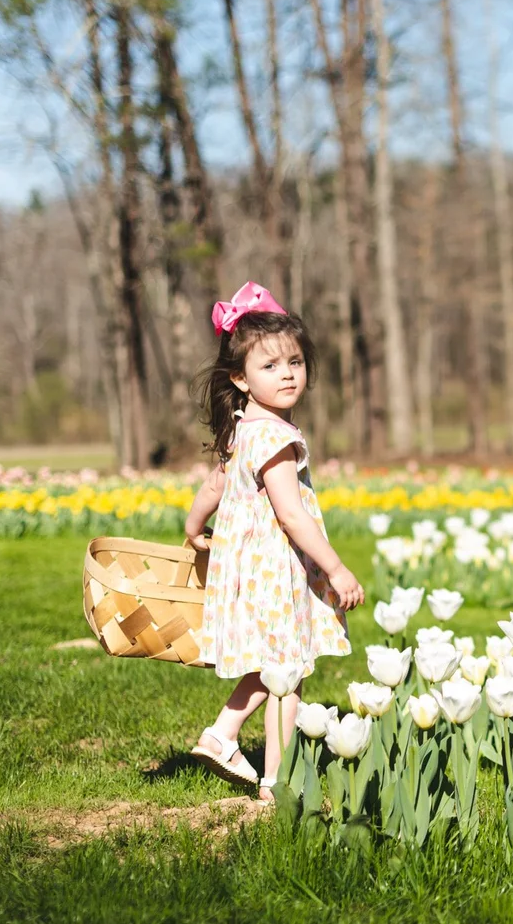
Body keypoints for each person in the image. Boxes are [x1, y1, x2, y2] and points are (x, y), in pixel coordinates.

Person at [182, 282, 363, 803]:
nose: (287, 373)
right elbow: (292, 514)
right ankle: (277, 781)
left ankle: (222, 736)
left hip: (245, 570)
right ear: (239, 378)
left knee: (275, 665)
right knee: (289, 671)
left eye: (295, 362)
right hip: (275, 570)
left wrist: (194, 527)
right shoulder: (276, 438)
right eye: (270, 366)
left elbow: (214, 485)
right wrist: (335, 569)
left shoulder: (241, 430)